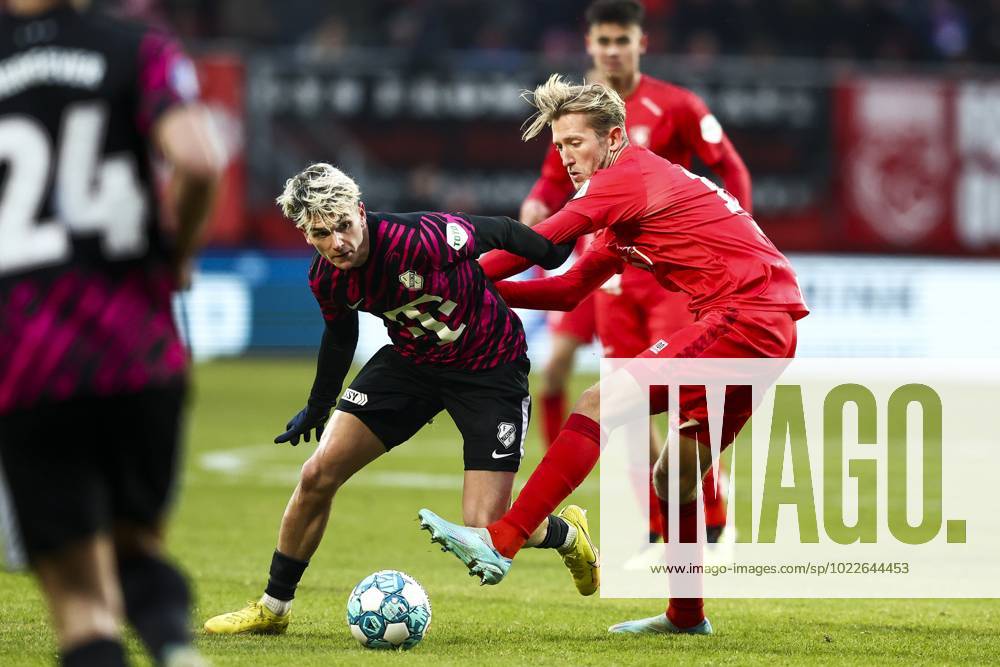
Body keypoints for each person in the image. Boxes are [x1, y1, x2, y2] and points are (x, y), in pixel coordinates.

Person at [419, 75, 807, 635]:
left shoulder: (625, 178)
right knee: (675, 476)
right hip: (767, 325)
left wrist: (451, 280)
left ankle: (501, 541)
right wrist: (483, 293)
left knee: (598, 402)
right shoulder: (626, 201)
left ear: (615, 137)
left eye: (575, 142)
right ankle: (686, 617)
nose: (566, 157)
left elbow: (542, 244)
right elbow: (568, 288)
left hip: (745, 316)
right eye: (559, 146)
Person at [202, 162, 596, 636]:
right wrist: (319, 404)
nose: (338, 243)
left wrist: (555, 252)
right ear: (307, 235)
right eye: (322, 234)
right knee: (317, 474)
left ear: (360, 212)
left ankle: (566, 533)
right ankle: (273, 608)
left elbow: (503, 231)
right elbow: (340, 334)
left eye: (343, 226)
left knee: (484, 525)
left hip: (490, 369)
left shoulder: (421, 238)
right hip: (412, 364)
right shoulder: (327, 277)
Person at [0, 1, 223, 665]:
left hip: (29, 364)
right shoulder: (137, 47)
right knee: (136, 552)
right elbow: (198, 161)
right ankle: (173, 645)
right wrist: (177, 254)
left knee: (79, 603)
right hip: (137, 351)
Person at [523, 0, 749, 540]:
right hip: (607, 271)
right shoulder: (578, 115)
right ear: (589, 45)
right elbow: (553, 178)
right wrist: (536, 202)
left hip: (666, 276)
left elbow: (731, 169)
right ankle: (654, 516)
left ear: (641, 43)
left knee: (679, 397)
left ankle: (708, 505)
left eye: (621, 40)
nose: (612, 51)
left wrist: (736, 237)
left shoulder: (677, 105)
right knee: (617, 395)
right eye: (603, 41)